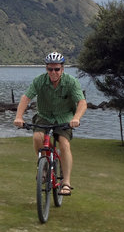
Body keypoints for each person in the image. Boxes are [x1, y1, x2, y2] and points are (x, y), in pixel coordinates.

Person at [13, 52, 87, 196]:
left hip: (64, 117)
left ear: (62, 69)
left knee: (64, 143)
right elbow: (26, 98)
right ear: (46, 69)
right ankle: (44, 166)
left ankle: (66, 182)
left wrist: (76, 118)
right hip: (44, 115)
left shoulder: (71, 82)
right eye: (50, 69)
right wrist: (19, 117)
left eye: (57, 69)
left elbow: (82, 102)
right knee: (37, 138)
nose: (53, 72)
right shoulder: (39, 81)